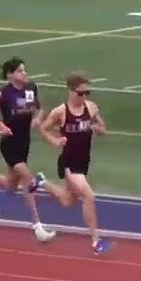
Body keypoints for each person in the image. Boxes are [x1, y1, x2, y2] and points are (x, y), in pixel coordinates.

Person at [0, 57, 57, 243]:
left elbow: (39, 109)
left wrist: (37, 118)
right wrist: (1, 125)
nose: (25, 73)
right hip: (9, 143)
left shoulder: (31, 88)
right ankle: (38, 226)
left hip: (25, 142)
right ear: (10, 75)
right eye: (20, 71)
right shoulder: (1, 93)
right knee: (26, 176)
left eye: (25, 70)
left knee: (10, 186)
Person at [37, 73, 111, 255]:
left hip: (83, 162)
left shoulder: (91, 108)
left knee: (68, 200)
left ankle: (41, 182)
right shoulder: (61, 112)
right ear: (71, 91)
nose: (84, 96)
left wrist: (97, 129)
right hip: (68, 162)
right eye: (80, 93)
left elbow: (103, 129)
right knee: (88, 196)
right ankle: (96, 241)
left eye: (87, 93)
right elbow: (43, 129)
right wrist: (55, 141)